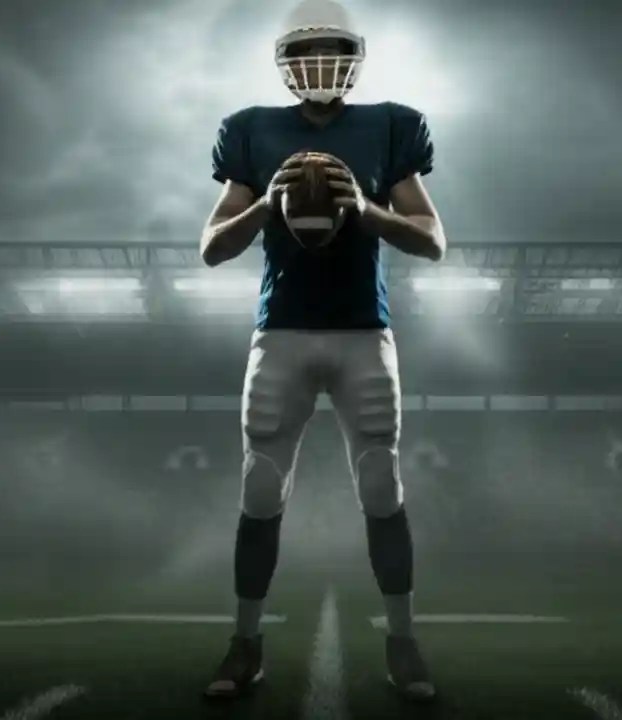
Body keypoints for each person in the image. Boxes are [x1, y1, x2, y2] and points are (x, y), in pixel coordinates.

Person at [197, 0, 446, 704]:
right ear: (282, 59)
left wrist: (365, 211)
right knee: (259, 489)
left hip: (364, 330)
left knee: (379, 484)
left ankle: (402, 641)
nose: (319, 65)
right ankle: (245, 643)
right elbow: (213, 247)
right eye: (305, 50)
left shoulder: (391, 123)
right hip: (280, 331)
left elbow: (432, 239)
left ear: (356, 53)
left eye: (332, 48)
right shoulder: (247, 130)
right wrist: (265, 203)